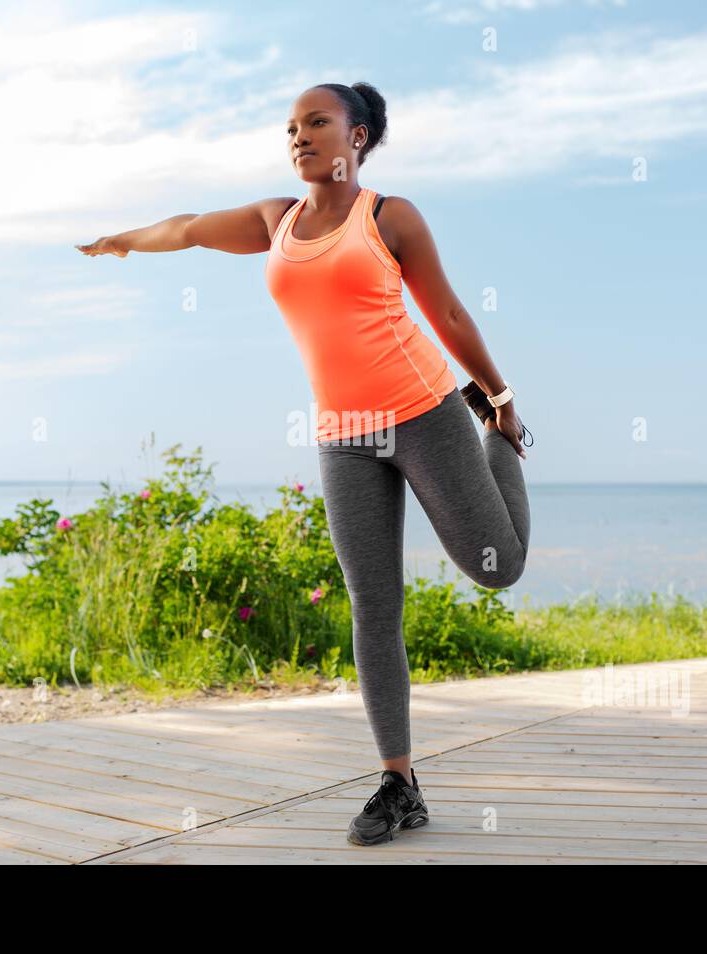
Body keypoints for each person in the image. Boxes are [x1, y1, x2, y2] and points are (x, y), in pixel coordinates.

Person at [77, 81, 531, 846]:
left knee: (495, 568)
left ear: (357, 138)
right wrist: (126, 238)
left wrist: (498, 395)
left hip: (425, 412)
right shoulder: (275, 221)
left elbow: (446, 313)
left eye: (317, 122)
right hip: (342, 433)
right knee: (371, 604)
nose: (299, 137)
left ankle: (498, 439)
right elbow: (187, 228)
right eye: (291, 127)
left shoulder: (389, 216)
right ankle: (399, 781)